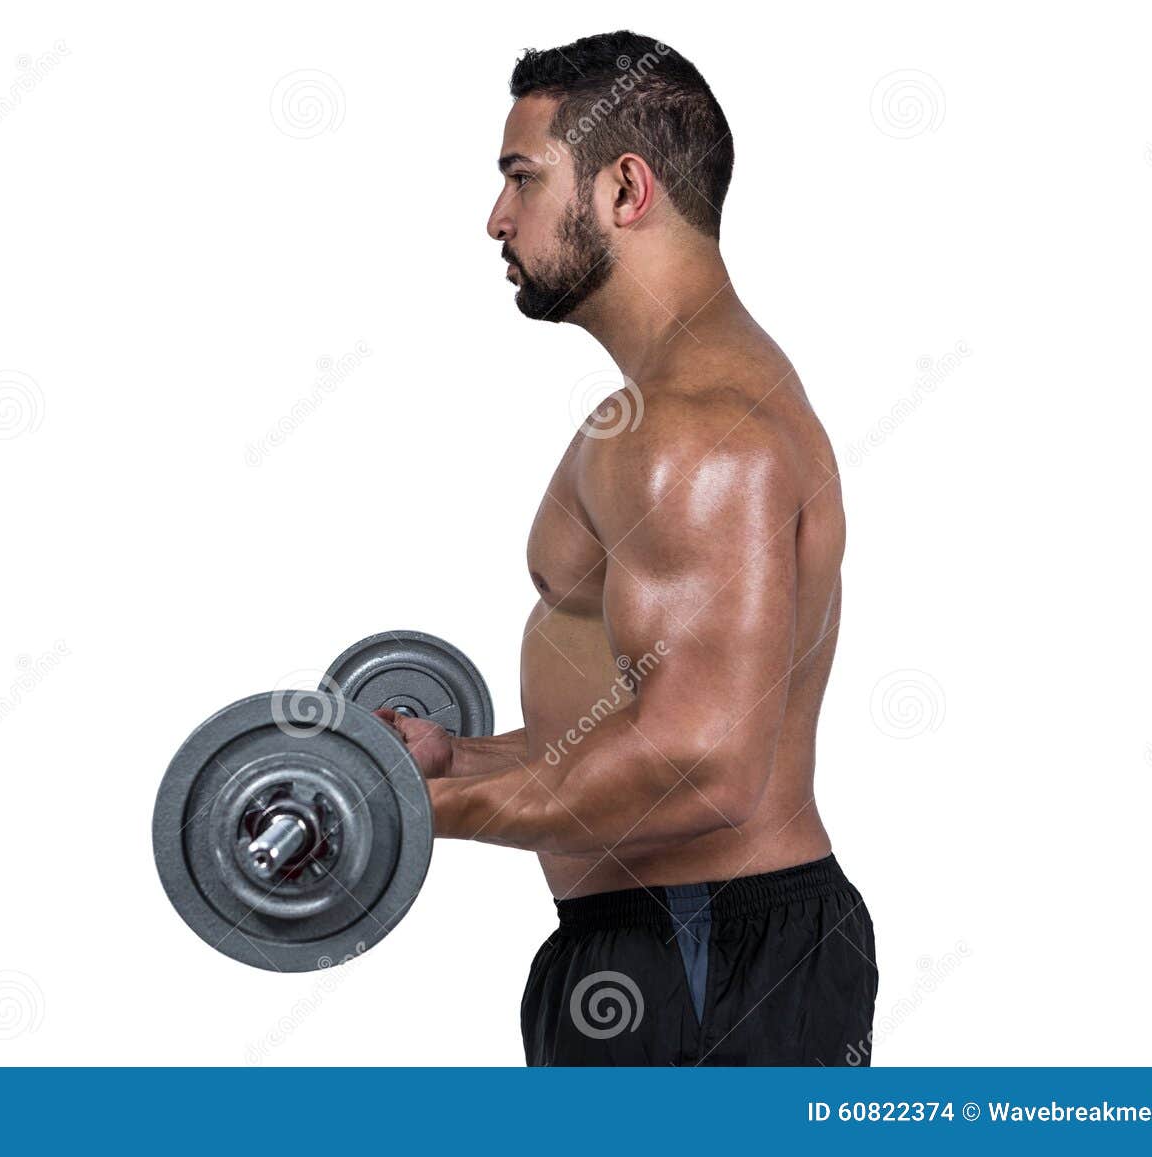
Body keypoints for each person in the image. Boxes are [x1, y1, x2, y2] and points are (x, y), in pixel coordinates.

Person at [377, 30, 877, 1066]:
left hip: (700, 953)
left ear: (624, 189)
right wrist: (458, 757)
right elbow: (647, 724)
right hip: (678, 946)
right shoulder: (673, 406)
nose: (496, 219)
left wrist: (401, 810)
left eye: (523, 177)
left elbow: (699, 770)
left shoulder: (694, 428)